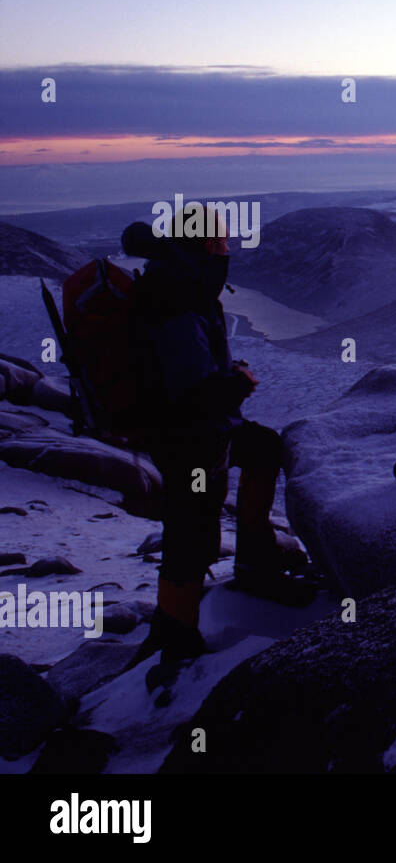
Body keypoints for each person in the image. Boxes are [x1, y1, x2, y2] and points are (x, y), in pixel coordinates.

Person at [121, 208, 314, 672]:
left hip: (199, 429)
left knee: (263, 449)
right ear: (206, 247)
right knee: (193, 528)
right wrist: (238, 382)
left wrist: (226, 377)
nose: (226, 250)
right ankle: (177, 636)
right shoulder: (177, 298)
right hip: (187, 437)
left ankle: (254, 565)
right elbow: (192, 393)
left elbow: (190, 372)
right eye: (221, 243)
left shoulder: (179, 284)